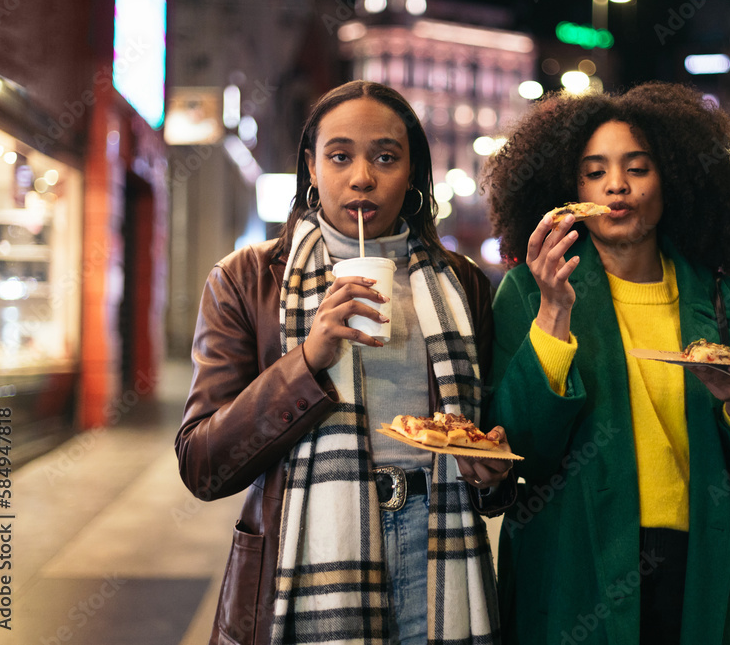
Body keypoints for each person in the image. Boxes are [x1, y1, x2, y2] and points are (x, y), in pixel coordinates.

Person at [176, 80, 514, 645]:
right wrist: (308, 360)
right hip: (304, 553)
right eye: (340, 156)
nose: (362, 176)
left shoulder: (463, 285)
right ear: (311, 166)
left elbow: (495, 456)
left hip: (436, 545)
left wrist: (491, 472)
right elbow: (203, 464)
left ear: (411, 173)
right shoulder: (246, 280)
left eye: (386, 156)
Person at [481, 82, 730, 645]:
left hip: (692, 566)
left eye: (637, 168)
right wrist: (554, 312)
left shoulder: (728, 305)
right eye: (594, 171)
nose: (616, 186)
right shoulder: (530, 292)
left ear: (672, 178)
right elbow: (520, 442)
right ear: (569, 187)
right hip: (570, 564)